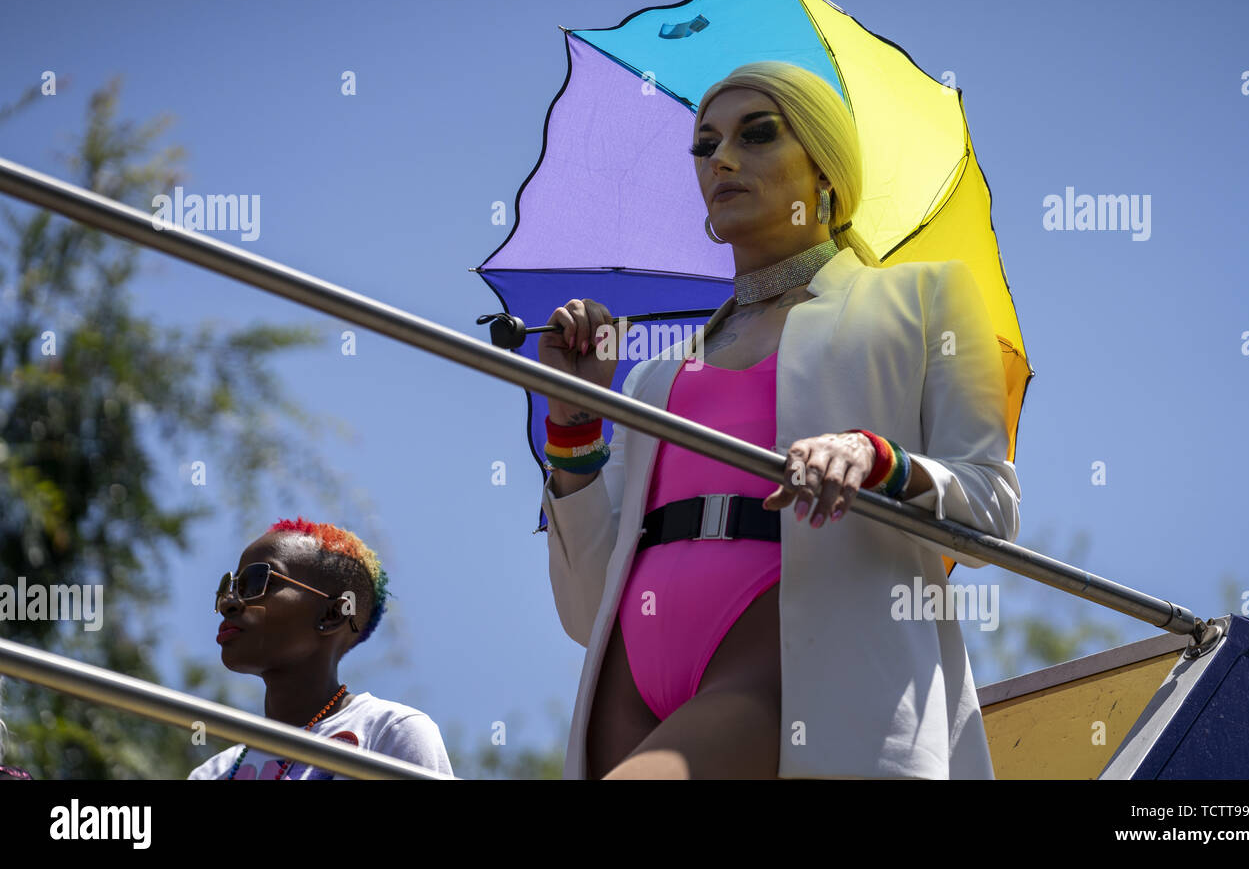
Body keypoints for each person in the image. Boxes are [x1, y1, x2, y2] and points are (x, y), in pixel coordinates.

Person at [537, 61, 1020, 779]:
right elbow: (585, 611)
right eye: (705, 145)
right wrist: (576, 422)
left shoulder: (926, 298)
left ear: (824, 168)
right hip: (628, 674)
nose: (722, 159)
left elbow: (990, 511)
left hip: (797, 655)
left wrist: (878, 459)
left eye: (758, 135)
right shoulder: (651, 374)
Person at [189, 517, 455, 779]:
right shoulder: (213, 773)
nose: (229, 603)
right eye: (229, 587)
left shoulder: (389, 733)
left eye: (258, 581)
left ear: (331, 615)